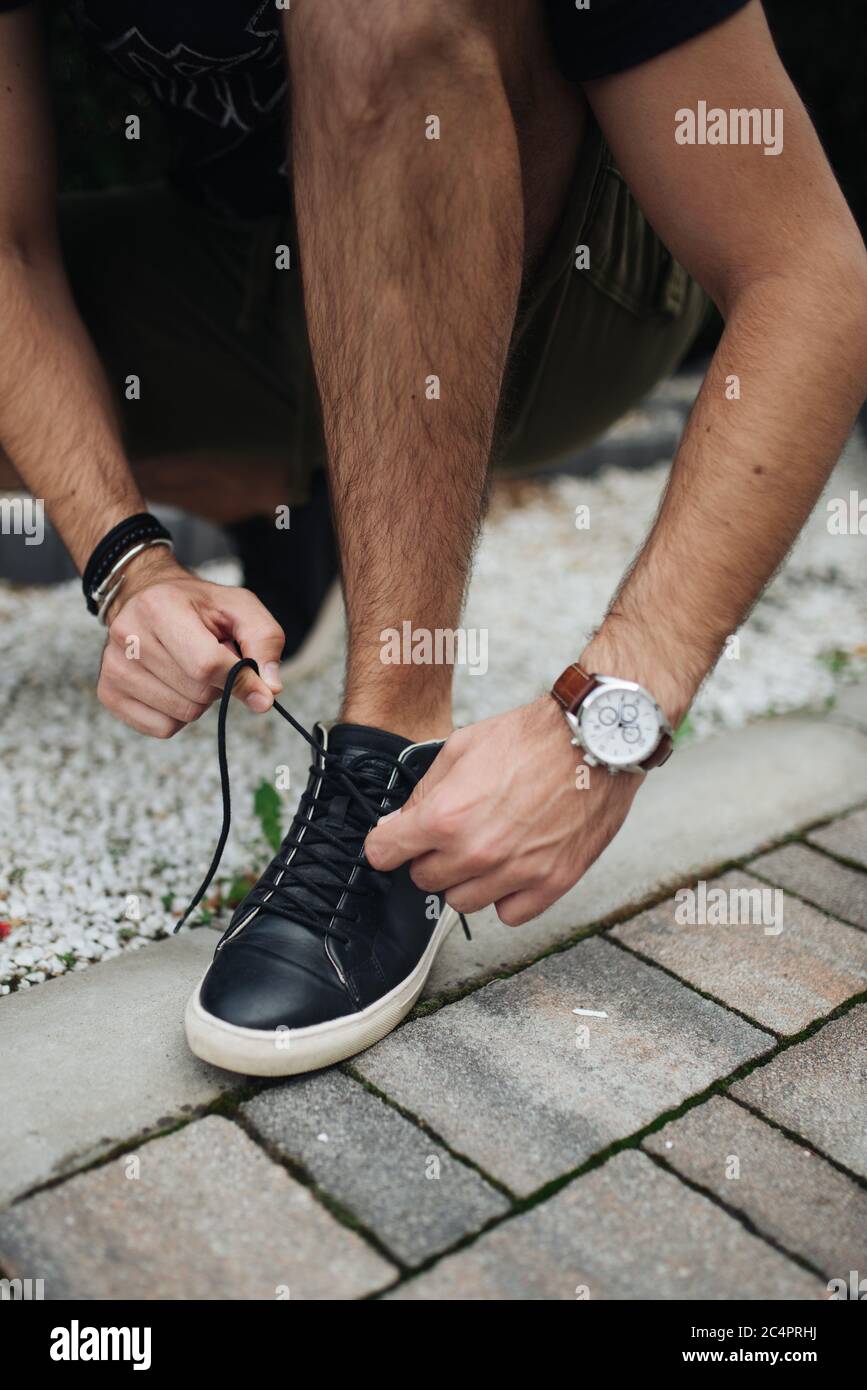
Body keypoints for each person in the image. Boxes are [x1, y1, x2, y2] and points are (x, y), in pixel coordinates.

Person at [1, 0, 865, 1074]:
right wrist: (127, 561)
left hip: (557, 290)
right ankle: (302, 498)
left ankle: (390, 747)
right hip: (270, 275)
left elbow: (812, 274)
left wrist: (602, 725)